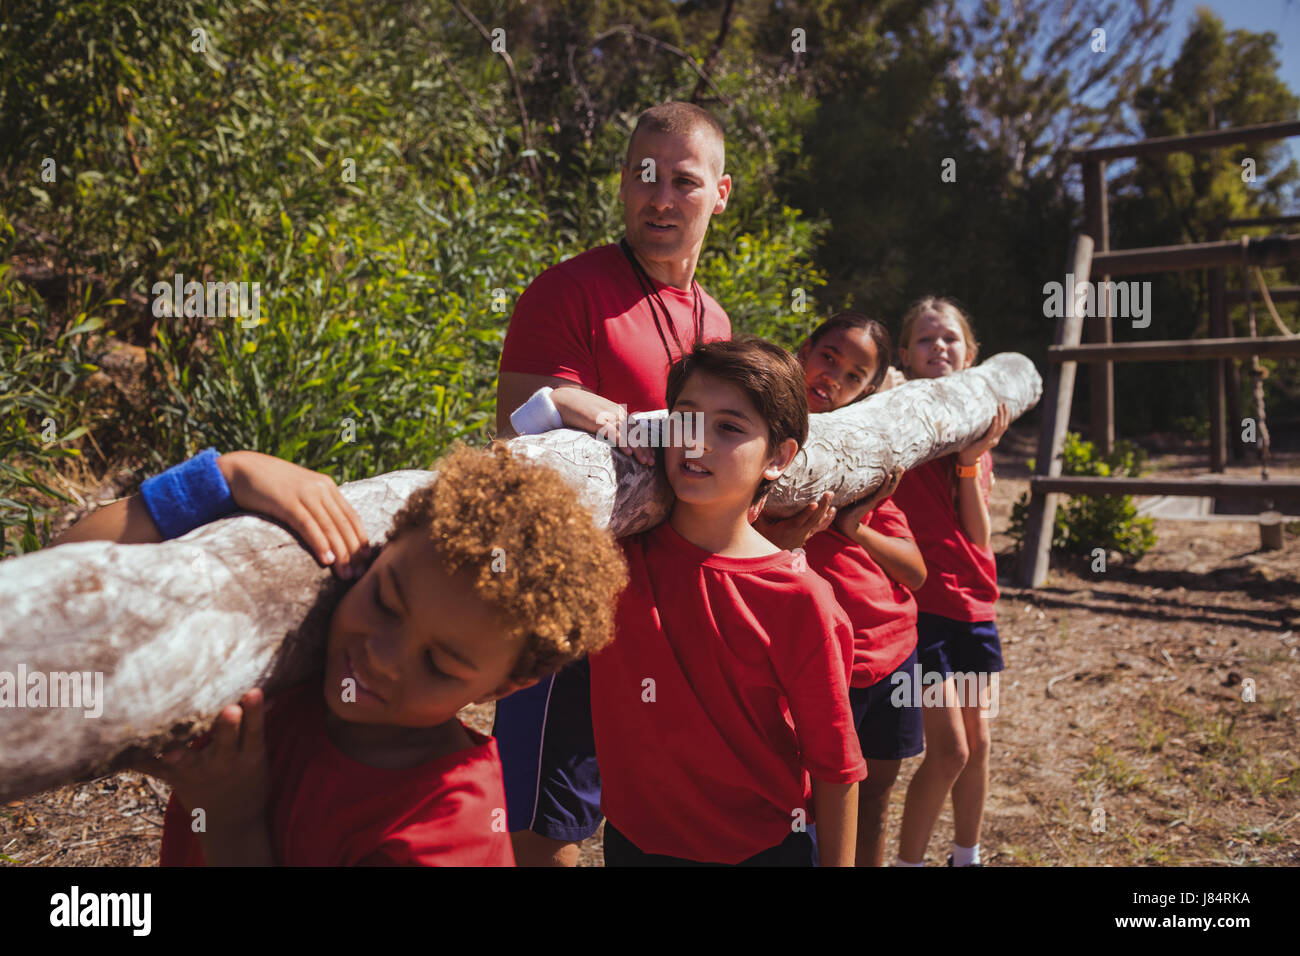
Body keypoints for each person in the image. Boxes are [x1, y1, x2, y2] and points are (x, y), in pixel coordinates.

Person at [52, 445, 627, 866]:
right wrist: (222, 477)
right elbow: (61, 577)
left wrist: (231, 818)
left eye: (439, 664)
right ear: (377, 554)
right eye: (385, 600)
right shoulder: (287, 670)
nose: (382, 657)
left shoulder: (451, 828)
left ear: (503, 687)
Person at [489, 101, 738, 867]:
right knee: (547, 834)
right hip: (564, 622)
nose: (660, 197)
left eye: (684, 181)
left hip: (667, 622)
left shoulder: (717, 323)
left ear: (720, 195)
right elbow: (519, 433)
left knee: (646, 825)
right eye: (643, 175)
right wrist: (604, 415)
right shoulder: (567, 293)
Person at [580, 336, 866, 866]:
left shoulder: (800, 599)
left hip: (758, 852)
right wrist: (557, 402)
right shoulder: (613, 558)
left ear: (779, 457)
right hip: (632, 846)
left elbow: (835, 763)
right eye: (685, 418)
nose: (697, 442)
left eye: (729, 427)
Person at [773, 312, 929, 867]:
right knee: (811, 808)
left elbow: (915, 574)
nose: (834, 375)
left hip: (891, 652)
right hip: (820, 661)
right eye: (830, 356)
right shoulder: (758, 440)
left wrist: (853, 528)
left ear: (866, 390)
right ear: (804, 349)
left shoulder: (862, 456)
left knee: (877, 796)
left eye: (856, 375)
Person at [889, 296, 1011, 868]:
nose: (939, 347)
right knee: (950, 750)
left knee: (979, 743)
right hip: (924, 606)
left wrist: (971, 460)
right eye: (925, 339)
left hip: (974, 602)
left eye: (950, 339)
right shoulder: (896, 417)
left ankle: (967, 857)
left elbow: (979, 535)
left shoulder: (979, 429)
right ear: (906, 356)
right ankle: (910, 863)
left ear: (971, 353)